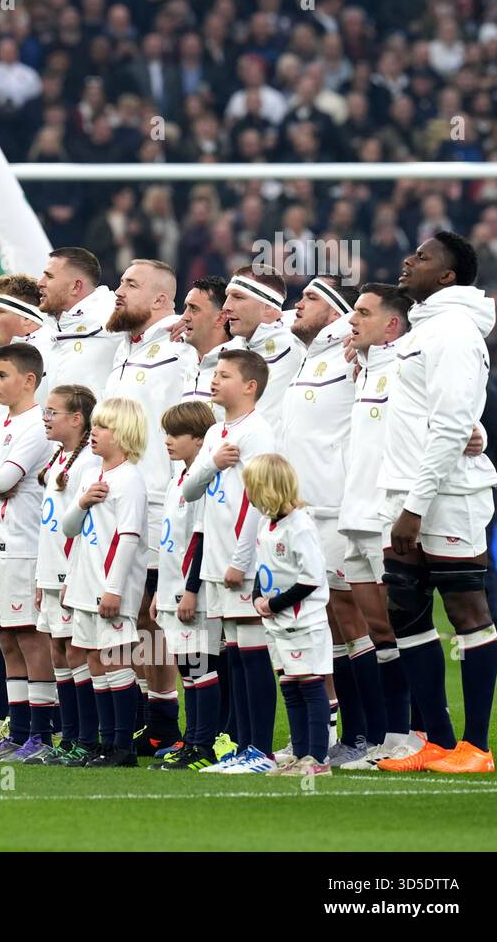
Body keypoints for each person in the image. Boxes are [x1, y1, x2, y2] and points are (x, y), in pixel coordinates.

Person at [377, 232, 497, 774]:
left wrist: (416, 505)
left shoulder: (451, 331)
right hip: (408, 492)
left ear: (448, 276)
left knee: (467, 612)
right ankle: (438, 742)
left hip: (447, 496)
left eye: (423, 257)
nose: (409, 260)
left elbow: (452, 424)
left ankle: (476, 746)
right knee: (405, 609)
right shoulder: (423, 330)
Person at [279, 275, 384, 767]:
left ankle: (372, 735)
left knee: (352, 619)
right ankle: (343, 734)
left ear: (339, 310)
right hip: (306, 511)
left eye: (309, 299)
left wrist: (474, 431)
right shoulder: (311, 353)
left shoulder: (351, 352)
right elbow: (250, 316)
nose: (297, 305)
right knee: (324, 624)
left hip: (340, 512)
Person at [104, 258, 198, 754]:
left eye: (130, 284)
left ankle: (169, 717)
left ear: (162, 300)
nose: (119, 291)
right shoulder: (127, 345)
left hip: (162, 503)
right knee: (136, 614)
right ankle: (150, 714)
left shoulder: (178, 350)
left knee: (161, 614)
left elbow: (197, 419)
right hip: (123, 501)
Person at [336, 284, 426, 769]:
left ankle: (416, 733)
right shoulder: (365, 367)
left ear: (392, 324)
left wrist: (479, 434)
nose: (354, 321)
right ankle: (390, 737)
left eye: (364, 314)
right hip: (355, 513)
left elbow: (449, 416)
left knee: (397, 627)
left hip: (385, 516)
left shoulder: (407, 366)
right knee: (375, 631)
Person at [181, 349, 281, 774]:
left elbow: (261, 501)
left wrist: (243, 560)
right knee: (235, 654)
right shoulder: (217, 433)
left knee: (253, 654)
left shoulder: (258, 433)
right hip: (216, 562)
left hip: (242, 562)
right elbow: (189, 490)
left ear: (250, 386)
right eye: (215, 373)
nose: (215, 380)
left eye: (224, 375)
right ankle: (242, 748)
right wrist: (212, 460)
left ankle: (260, 751)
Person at [0, 343, 57, 763]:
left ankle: (42, 734)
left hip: (23, 544)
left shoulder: (37, 425)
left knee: (30, 639)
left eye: (2, 376)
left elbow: (1, 481)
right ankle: (18, 733)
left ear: (29, 380)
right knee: (5, 639)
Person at [60, 396, 151, 767]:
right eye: (94, 425)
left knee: (114, 661)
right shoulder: (90, 475)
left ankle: (123, 746)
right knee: (95, 660)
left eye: (103, 426)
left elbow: (128, 538)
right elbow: (70, 530)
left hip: (110, 589)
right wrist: (81, 502)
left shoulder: (129, 479)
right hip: (85, 584)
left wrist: (114, 588)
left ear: (123, 433)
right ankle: (105, 740)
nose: (93, 432)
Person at [149, 400, 228, 771]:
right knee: (186, 668)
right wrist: (161, 595)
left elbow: (201, 541)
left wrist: (192, 589)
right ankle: (190, 739)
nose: (168, 441)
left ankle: (203, 744)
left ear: (199, 440)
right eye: (166, 432)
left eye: (176, 434)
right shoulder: (177, 479)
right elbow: (169, 543)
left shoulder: (204, 482)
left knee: (200, 667)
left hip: (192, 592)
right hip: (172, 591)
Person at [246, 453, 334, 780]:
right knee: (289, 685)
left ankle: (318, 758)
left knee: (310, 685)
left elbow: (311, 577)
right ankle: (299, 755)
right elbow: (262, 567)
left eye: (252, 487)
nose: (248, 494)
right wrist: (257, 596)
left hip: (302, 621)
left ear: (267, 487)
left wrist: (277, 603)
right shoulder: (264, 523)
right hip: (277, 623)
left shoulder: (300, 525)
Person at [33, 384, 98, 765]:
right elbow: (49, 527)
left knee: (76, 651)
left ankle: (86, 738)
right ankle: (69, 735)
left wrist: (71, 575)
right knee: (57, 650)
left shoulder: (88, 462)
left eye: (53, 412)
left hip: (71, 572)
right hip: (51, 570)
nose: (46, 417)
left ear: (77, 419)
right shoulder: (59, 458)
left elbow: (82, 527)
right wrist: (41, 577)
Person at [220, 267, 306, 430]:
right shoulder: (230, 349)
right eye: (227, 297)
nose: (226, 306)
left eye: (238, 297)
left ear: (268, 307)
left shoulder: (298, 342)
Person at [38, 246, 120, 393]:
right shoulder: (52, 324)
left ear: (76, 286)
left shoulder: (112, 314)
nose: (40, 283)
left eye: (49, 277)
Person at [178, 276, 240, 407]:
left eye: (194, 309)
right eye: (185, 308)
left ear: (220, 318)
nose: (184, 317)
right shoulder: (187, 364)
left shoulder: (239, 367)